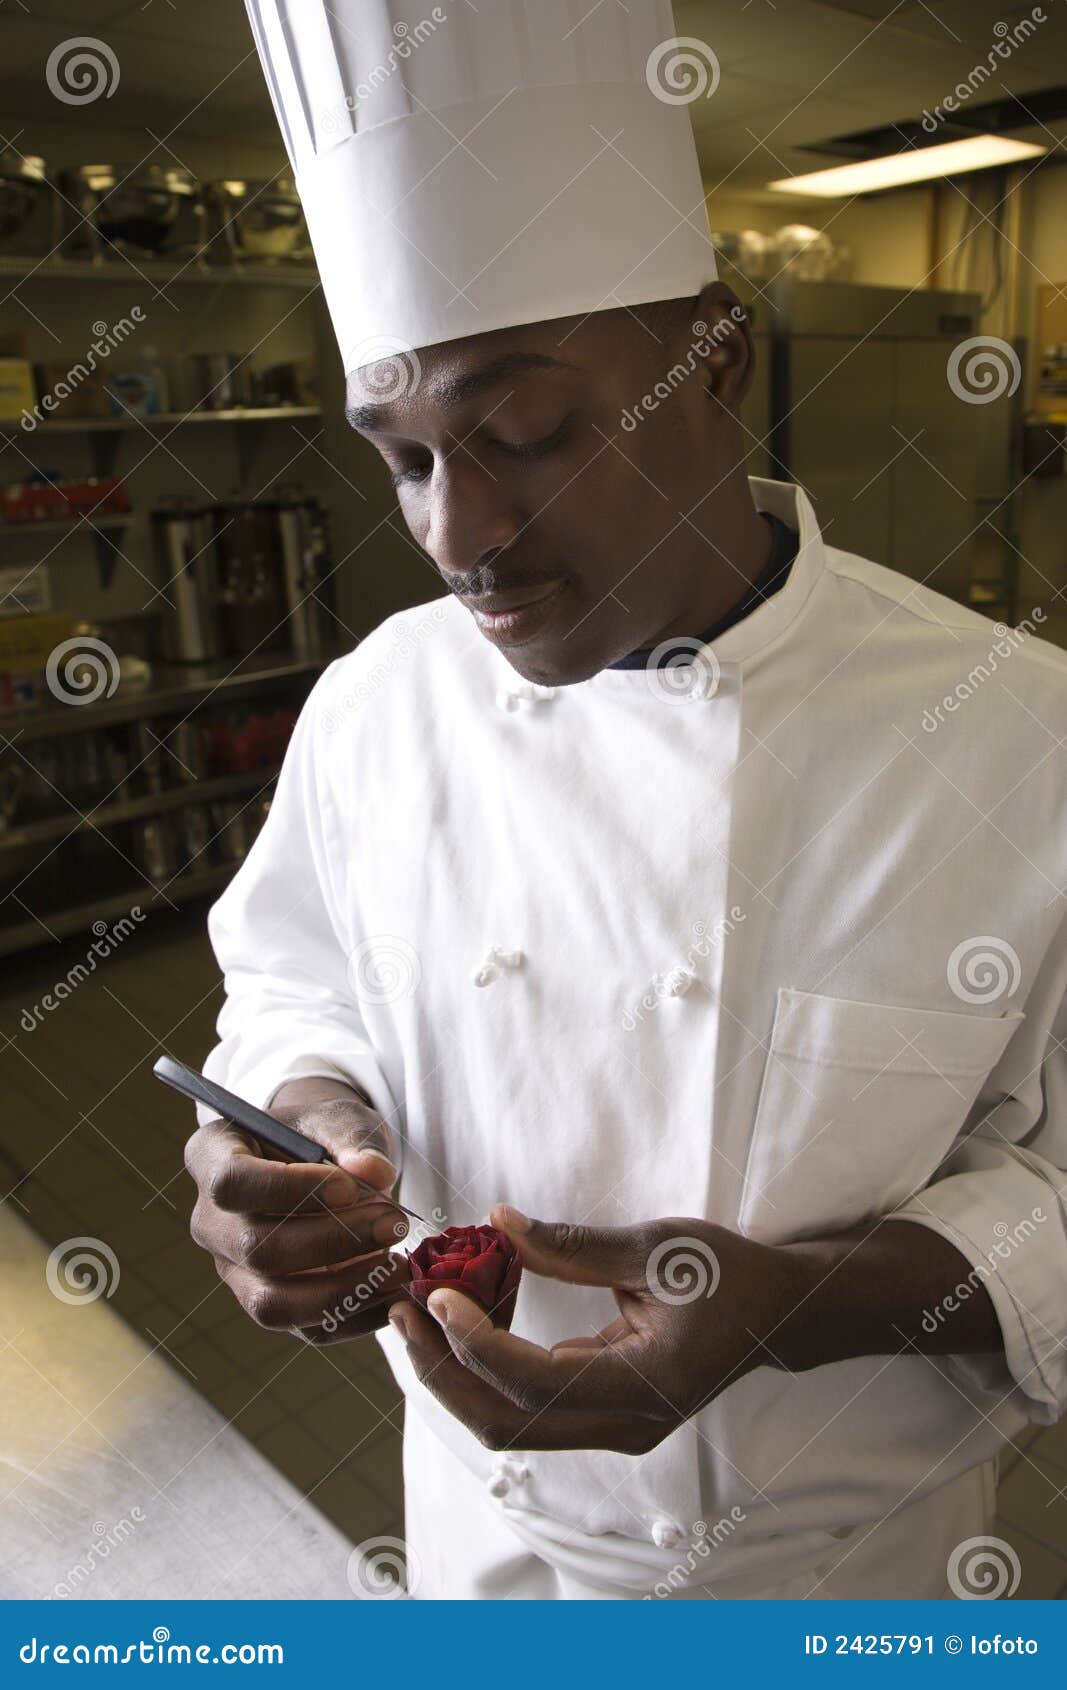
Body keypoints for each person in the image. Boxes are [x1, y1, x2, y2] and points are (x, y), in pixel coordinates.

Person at [184, 0, 1067, 1599]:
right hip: (478, 1549)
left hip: (854, 1584)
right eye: (400, 457)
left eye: (524, 432)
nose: (461, 533)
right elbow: (291, 985)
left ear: (713, 359)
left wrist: (798, 1305)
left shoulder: (1016, 733)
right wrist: (298, 1133)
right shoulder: (381, 700)